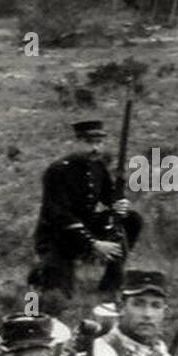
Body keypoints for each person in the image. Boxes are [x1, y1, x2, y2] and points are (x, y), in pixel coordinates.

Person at [29, 119, 142, 297]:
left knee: (132, 219)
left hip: (86, 226)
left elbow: (109, 195)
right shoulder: (58, 171)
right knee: (58, 294)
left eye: (99, 143)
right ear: (76, 142)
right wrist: (94, 244)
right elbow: (60, 216)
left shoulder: (98, 166)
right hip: (58, 237)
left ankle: (111, 281)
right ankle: (39, 275)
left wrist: (119, 203)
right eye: (89, 143)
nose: (96, 148)